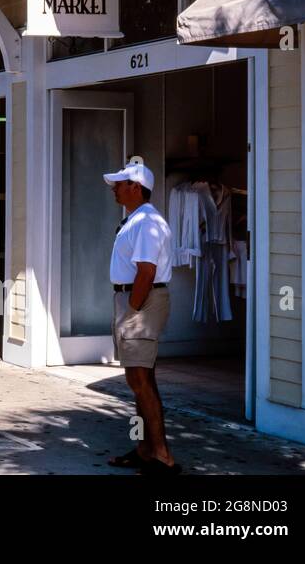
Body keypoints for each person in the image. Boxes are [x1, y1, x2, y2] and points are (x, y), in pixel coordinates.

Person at [102, 156, 179, 475]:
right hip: (134, 301)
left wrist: (132, 307)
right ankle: (146, 450)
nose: (115, 190)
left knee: (139, 379)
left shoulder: (147, 221)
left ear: (136, 187)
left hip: (141, 302)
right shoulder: (138, 218)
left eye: (120, 184)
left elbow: (146, 271)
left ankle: (161, 454)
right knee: (141, 378)